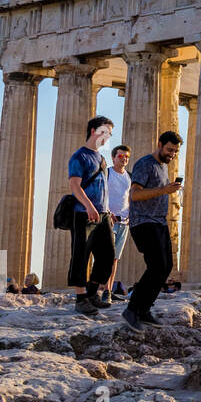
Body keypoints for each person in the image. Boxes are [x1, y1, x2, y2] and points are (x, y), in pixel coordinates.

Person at [123, 130, 183, 330]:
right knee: (157, 265)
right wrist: (163, 190)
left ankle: (145, 309)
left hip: (159, 222)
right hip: (143, 222)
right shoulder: (145, 164)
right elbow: (135, 195)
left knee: (166, 267)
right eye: (169, 149)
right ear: (159, 144)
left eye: (175, 151)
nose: (172, 154)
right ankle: (132, 309)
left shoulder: (163, 167)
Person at [65, 115, 117, 315]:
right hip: (83, 213)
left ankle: (93, 293)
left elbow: (102, 187)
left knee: (108, 256)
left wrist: (107, 210)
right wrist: (88, 206)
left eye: (110, 134)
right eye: (105, 132)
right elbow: (74, 186)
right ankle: (80, 299)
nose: (107, 137)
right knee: (81, 256)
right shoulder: (80, 156)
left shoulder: (102, 159)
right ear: (94, 131)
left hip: (103, 214)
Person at [102, 143, 132, 306]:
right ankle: (104, 290)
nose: (124, 159)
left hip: (124, 222)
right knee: (106, 256)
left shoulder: (130, 176)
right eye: (121, 156)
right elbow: (100, 193)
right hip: (108, 220)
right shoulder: (106, 173)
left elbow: (130, 198)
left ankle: (109, 290)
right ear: (113, 157)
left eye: (126, 156)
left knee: (114, 259)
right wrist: (106, 212)